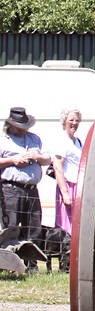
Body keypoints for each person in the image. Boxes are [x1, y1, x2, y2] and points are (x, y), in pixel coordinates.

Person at [0, 107, 52, 267]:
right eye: (19, 126)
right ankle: (9, 264)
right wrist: (13, 160)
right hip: (11, 189)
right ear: (11, 125)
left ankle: (31, 265)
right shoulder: (3, 140)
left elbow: (47, 159)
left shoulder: (34, 139)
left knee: (33, 226)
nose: (23, 129)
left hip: (31, 189)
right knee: (11, 227)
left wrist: (37, 157)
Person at [52, 109, 84, 235]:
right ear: (64, 122)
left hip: (78, 187)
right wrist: (65, 193)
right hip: (68, 186)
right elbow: (57, 167)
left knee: (77, 223)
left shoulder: (78, 142)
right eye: (71, 120)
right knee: (66, 225)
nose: (74, 123)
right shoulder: (62, 141)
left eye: (77, 120)